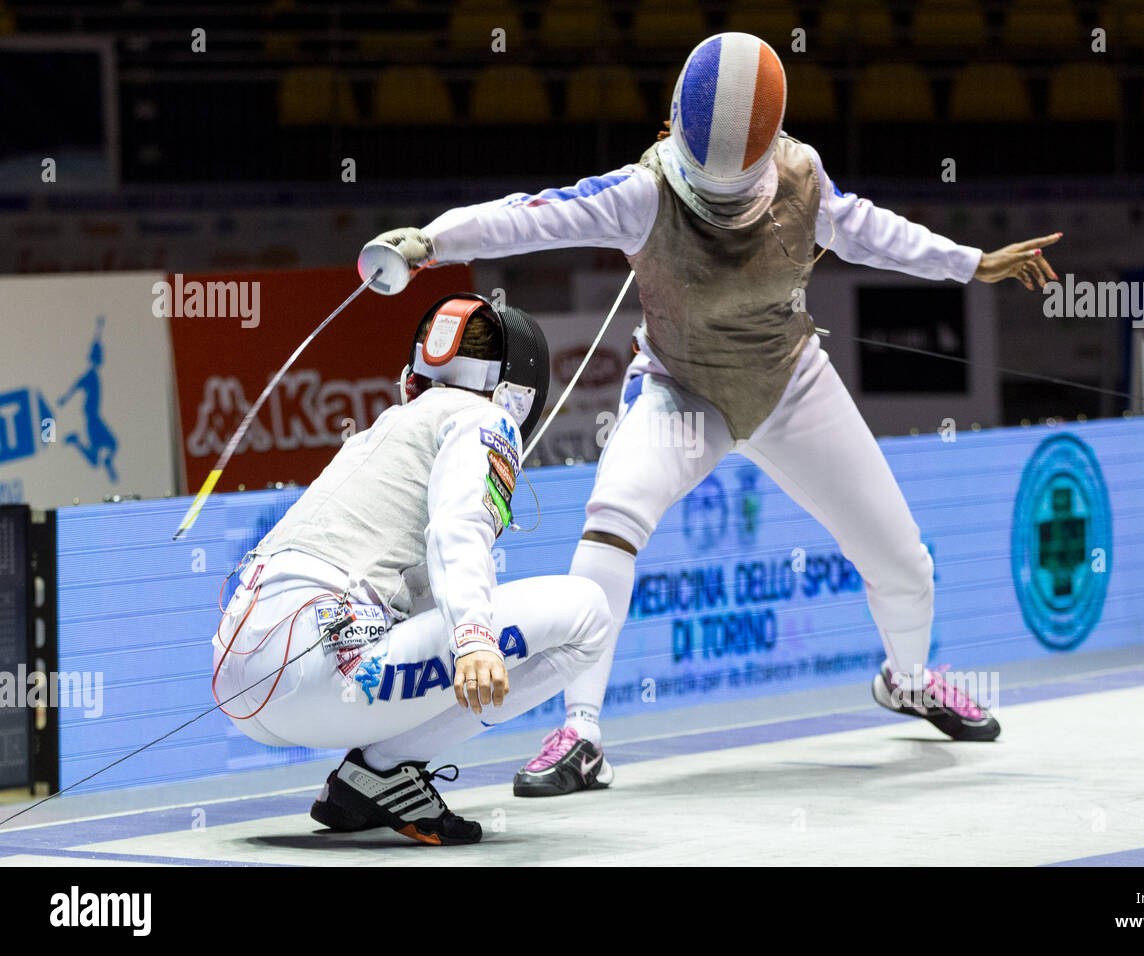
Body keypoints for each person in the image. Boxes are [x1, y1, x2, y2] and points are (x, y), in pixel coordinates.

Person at [358, 32, 1062, 798]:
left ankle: (909, 679)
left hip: (791, 386)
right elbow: (532, 217)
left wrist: (971, 261)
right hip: (679, 391)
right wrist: (433, 239)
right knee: (612, 516)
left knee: (903, 562)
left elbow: (872, 231)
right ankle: (581, 730)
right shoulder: (644, 193)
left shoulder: (802, 176)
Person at [210, 292, 612, 842]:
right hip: (322, 673)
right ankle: (380, 772)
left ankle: (370, 781)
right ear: (516, 392)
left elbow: (423, 580)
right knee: (586, 613)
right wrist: (473, 638)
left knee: (432, 602)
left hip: (241, 681)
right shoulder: (484, 419)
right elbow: (458, 526)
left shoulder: (388, 429)